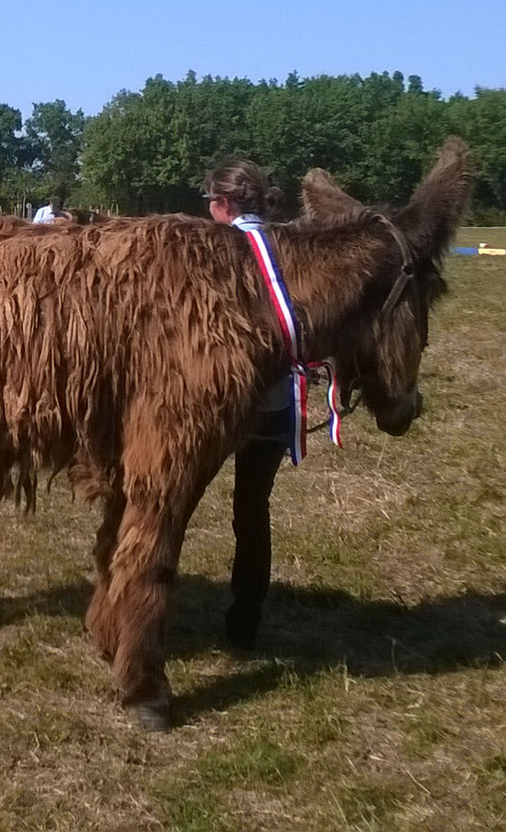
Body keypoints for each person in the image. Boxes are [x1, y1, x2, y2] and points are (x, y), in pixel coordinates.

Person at [202, 157, 292, 651]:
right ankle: (246, 613)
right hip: (277, 402)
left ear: (224, 203)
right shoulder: (290, 248)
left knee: (175, 502)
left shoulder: (217, 249)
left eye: (210, 202)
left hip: (221, 402)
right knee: (253, 508)